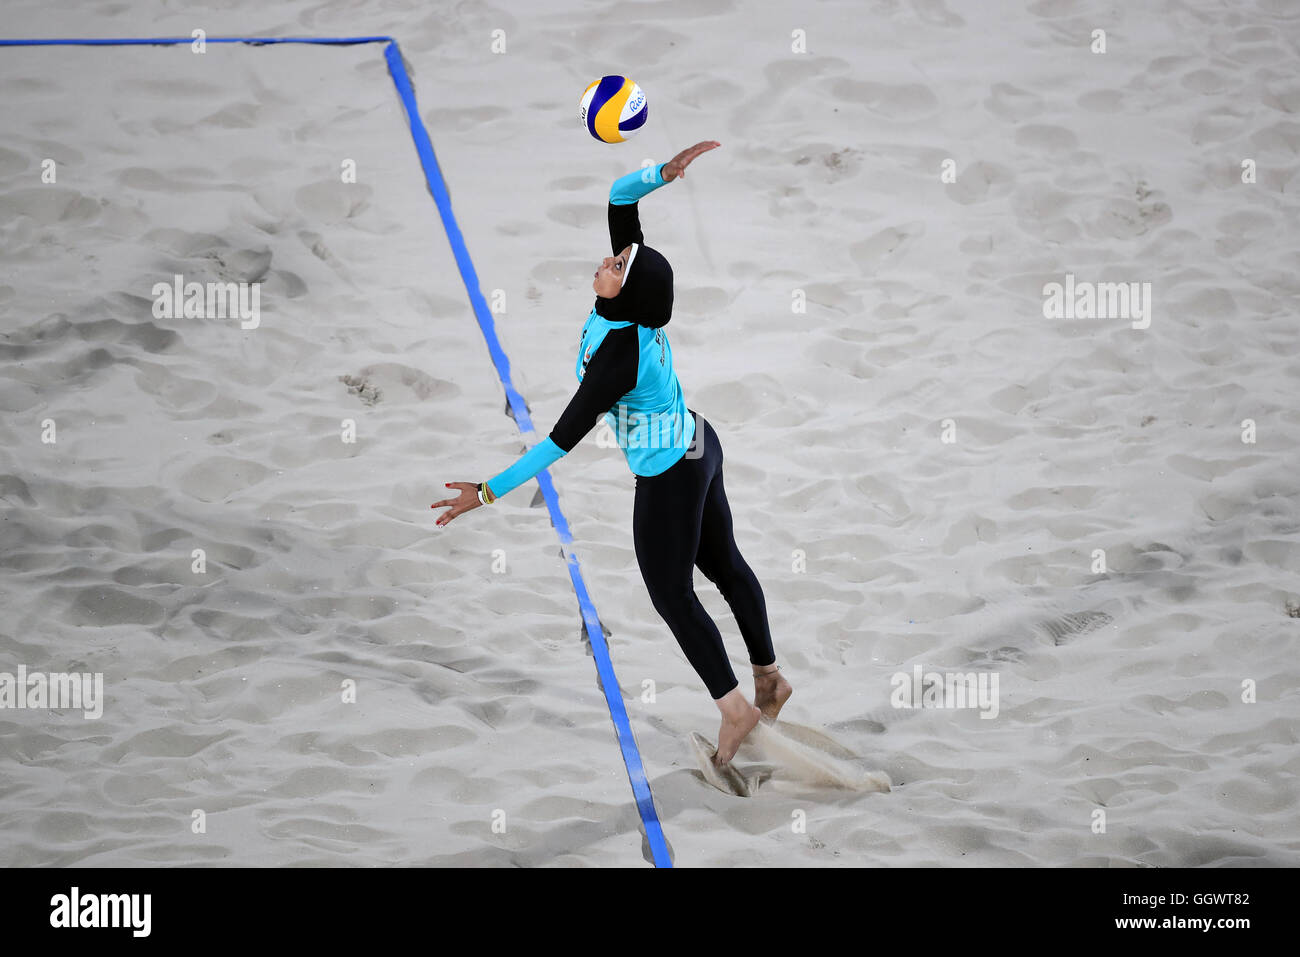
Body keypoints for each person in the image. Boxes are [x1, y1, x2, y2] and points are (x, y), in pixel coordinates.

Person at [431, 141, 791, 765]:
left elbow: (559, 441)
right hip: (700, 442)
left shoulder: (619, 358)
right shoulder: (628, 308)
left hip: (671, 472)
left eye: (619, 264)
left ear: (626, 294)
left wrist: (485, 493)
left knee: (672, 592)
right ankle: (769, 679)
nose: (609, 258)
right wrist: (664, 174)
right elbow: (620, 200)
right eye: (620, 255)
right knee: (724, 564)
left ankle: (736, 709)